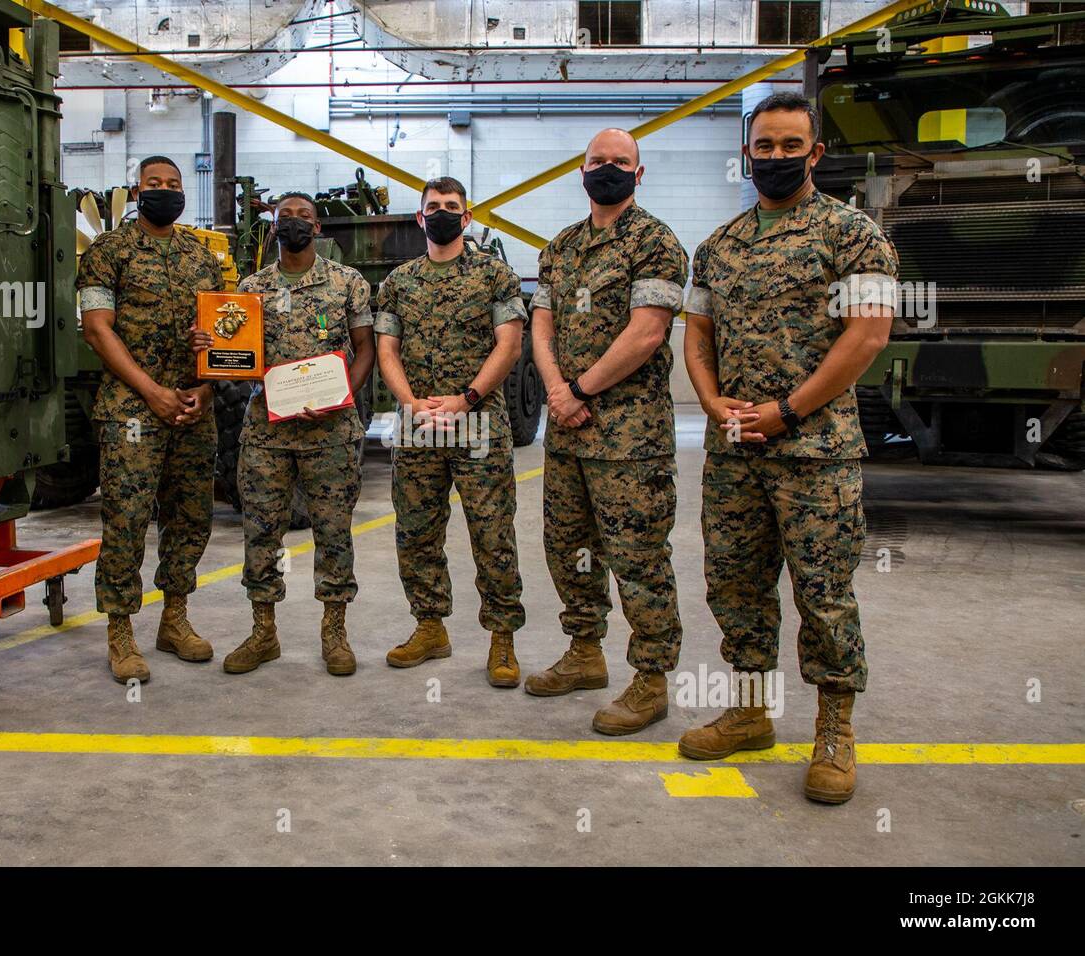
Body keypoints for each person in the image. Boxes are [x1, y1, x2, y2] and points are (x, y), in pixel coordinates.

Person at [679, 91, 897, 804]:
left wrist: (787, 411)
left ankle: (834, 731)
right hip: (736, 449)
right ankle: (749, 711)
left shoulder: (853, 234)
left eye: (788, 145)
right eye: (763, 146)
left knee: (824, 594)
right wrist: (712, 404)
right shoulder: (718, 245)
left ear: (815, 152)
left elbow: (866, 335)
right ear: (746, 153)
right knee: (736, 588)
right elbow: (699, 335)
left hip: (816, 452)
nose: (774, 157)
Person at [526, 128, 688, 735]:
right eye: (599, 161)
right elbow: (541, 326)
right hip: (568, 431)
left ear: (639, 175)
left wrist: (581, 390)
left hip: (629, 437)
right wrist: (555, 391)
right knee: (569, 549)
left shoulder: (656, 243)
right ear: (581, 169)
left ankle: (650, 680)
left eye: (621, 162)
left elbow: (647, 333)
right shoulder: (561, 245)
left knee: (638, 557)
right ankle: (584, 652)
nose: (609, 169)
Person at [194, 192, 375, 677]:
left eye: (305, 217)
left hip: (330, 433)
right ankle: (263, 632)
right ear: (273, 226)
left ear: (318, 228)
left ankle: (334, 633)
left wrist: (340, 395)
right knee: (261, 533)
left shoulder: (346, 283)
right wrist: (209, 345)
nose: (294, 223)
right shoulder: (251, 289)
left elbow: (364, 352)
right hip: (267, 433)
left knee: (333, 532)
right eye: (285, 217)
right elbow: (233, 356)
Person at [373, 176, 528, 686]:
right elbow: (386, 351)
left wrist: (466, 400)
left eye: (451, 206)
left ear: (467, 217)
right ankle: (430, 627)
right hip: (419, 426)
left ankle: (501, 639)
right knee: (416, 533)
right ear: (420, 218)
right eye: (432, 206)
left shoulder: (494, 275)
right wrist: (412, 403)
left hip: (477, 422)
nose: (441, 213)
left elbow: (507, 345)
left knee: (492, 535)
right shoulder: (398, 282)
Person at [77, 155, 223, 684]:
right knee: (127, 517)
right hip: (132, 411)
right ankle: (121, 633)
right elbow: (98, 330)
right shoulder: (108, 253)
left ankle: (174, 619)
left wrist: (207, 387)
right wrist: (153, 392)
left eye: (174, 184)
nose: (165, 190)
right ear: (136, 191)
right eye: (154, 183)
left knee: (190, 517)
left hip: (191, 409)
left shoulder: (201, 259)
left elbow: (220, 336)